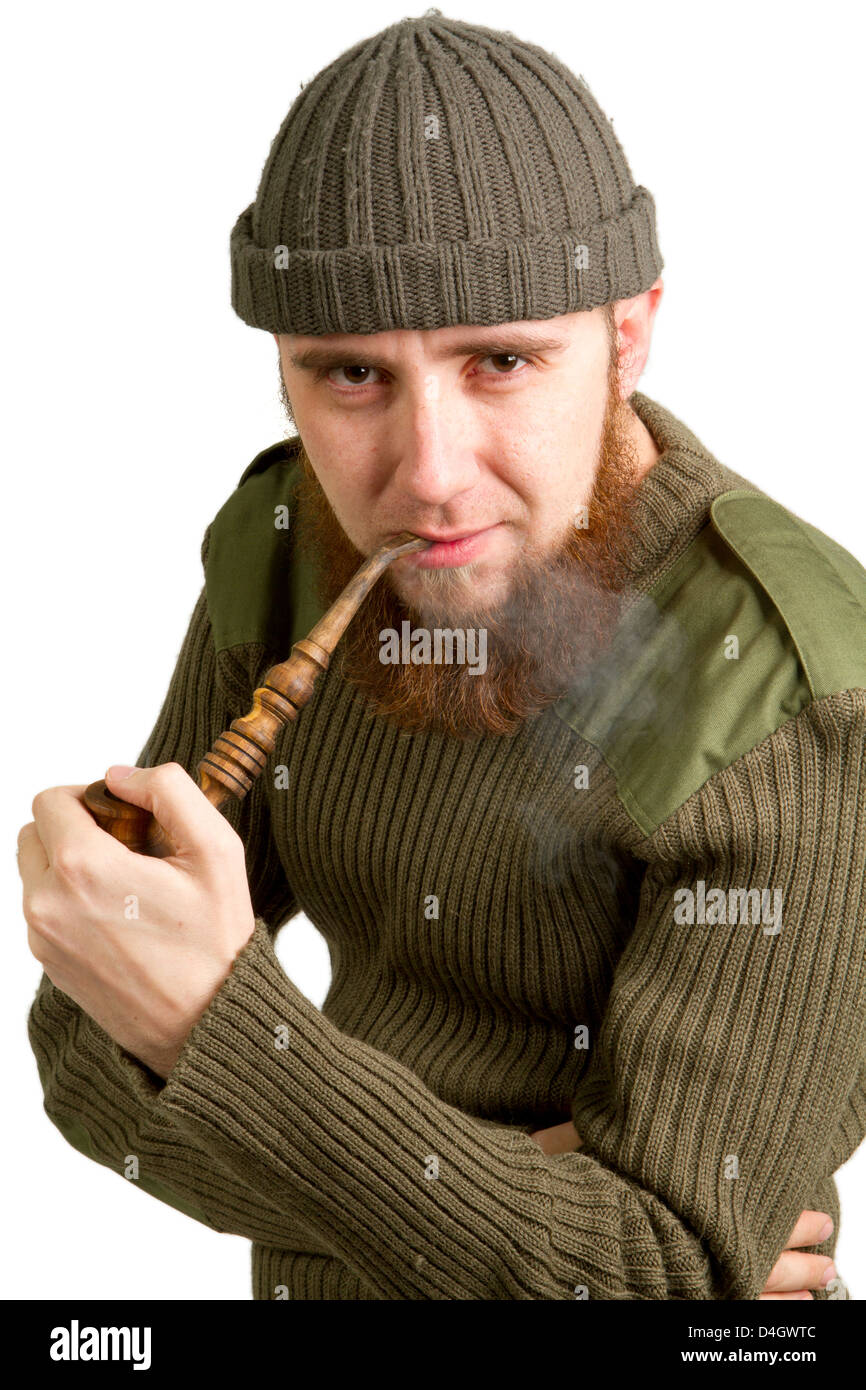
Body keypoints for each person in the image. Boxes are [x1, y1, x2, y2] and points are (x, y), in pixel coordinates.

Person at [21, 11, 864, 1300]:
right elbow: (81, 1042)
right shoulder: (290, 541)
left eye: (503, 361)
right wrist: (493, 1213)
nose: (426, 478)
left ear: (629, 336)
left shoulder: (783, 688)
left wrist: (210, 1039)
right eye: (351, 376)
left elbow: (670, 1286)